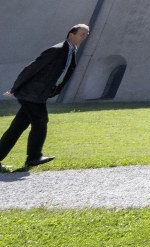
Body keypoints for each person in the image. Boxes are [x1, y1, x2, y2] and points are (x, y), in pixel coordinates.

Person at [0, 23, 88, 172]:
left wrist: (53, 91)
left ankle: (32, 157)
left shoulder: (71, 51)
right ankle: (34, 157)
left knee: (17, 127)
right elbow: (32, 68)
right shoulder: (58, 50)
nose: (85, 37)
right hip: (31, 94)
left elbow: (61, 75)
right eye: (82, 34)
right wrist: (15, 88)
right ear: (71, 34)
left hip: (38, 95)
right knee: (40, 122)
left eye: (86, 34)